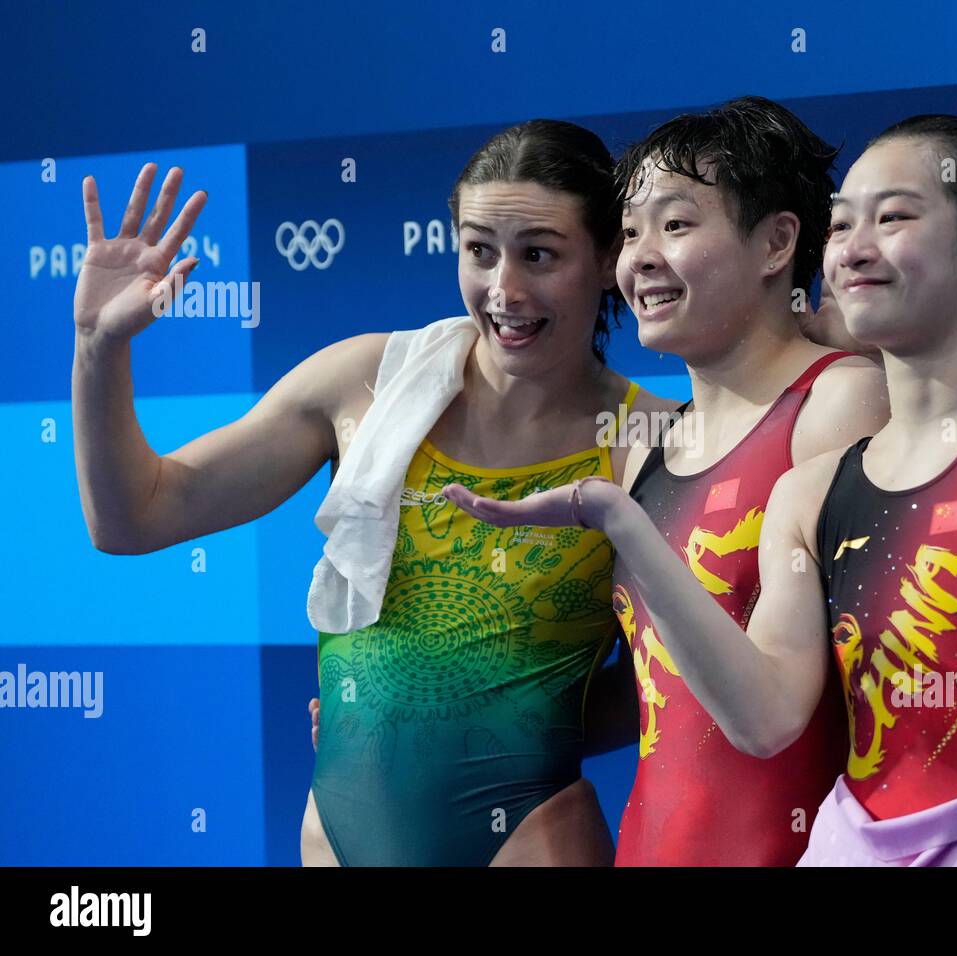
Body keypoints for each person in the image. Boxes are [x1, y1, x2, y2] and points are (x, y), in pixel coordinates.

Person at [445, 104, 957, 865]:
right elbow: (677, 693)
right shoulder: (657, 444)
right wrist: (414, 723)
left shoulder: (841, 403)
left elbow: (953, 645)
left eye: (675, 225)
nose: (641, 257)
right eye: (631, 230)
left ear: (777, 243)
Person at [72, 119, 678, 866]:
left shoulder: (651, 440)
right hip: (336, 838)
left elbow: (670, 681)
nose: (503, 290)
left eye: (540, 256)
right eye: (479, 251)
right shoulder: (364, 381)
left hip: (529, 839)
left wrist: (488, 722)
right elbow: (134, 515)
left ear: (607, 259)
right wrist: (99, 349)